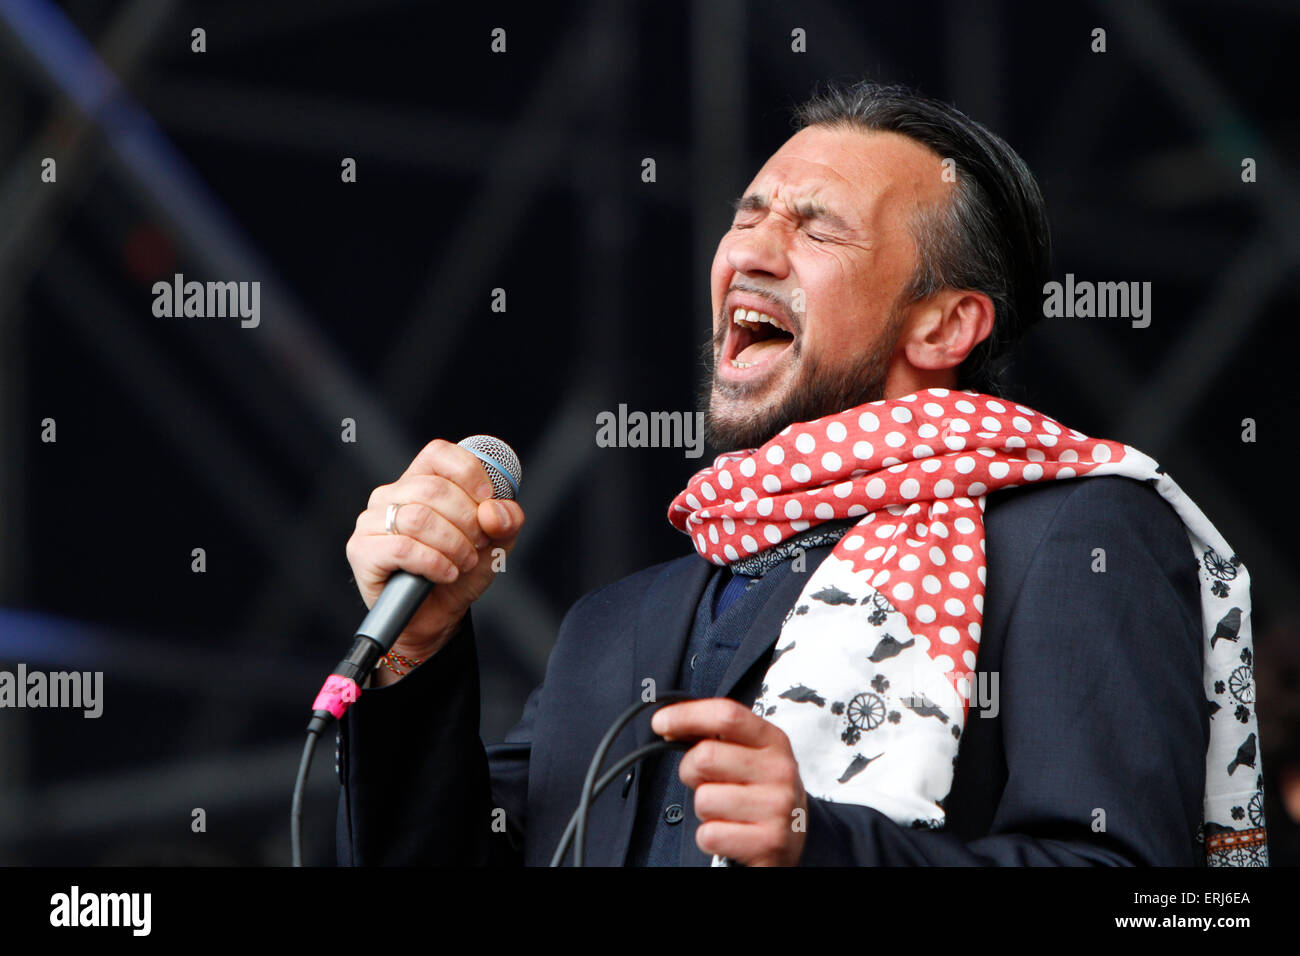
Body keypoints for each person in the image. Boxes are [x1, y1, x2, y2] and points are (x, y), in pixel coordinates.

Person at [335, 81, 1266, 866]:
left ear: (943, 326)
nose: (748, 250)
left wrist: (823, 847)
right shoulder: (616, 626)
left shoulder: (1076, 529)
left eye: (816, 230)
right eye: (748, 216)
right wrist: (412, 657)